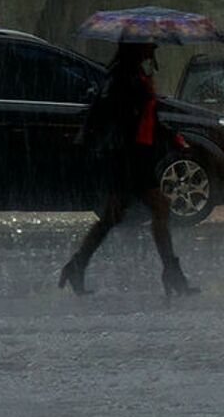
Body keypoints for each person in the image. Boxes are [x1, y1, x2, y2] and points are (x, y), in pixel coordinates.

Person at [58, 41, 197, 299]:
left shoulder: (135, 76)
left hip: (135, 153)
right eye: (149, 47)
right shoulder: (122, 78)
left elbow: (148, 118)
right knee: (158, 207)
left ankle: (77, 266)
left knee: (114, 214)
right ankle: (171, 272)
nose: (153, 50)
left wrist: (171, 137)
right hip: (127, 156)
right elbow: (120, 118)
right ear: (137, 49)